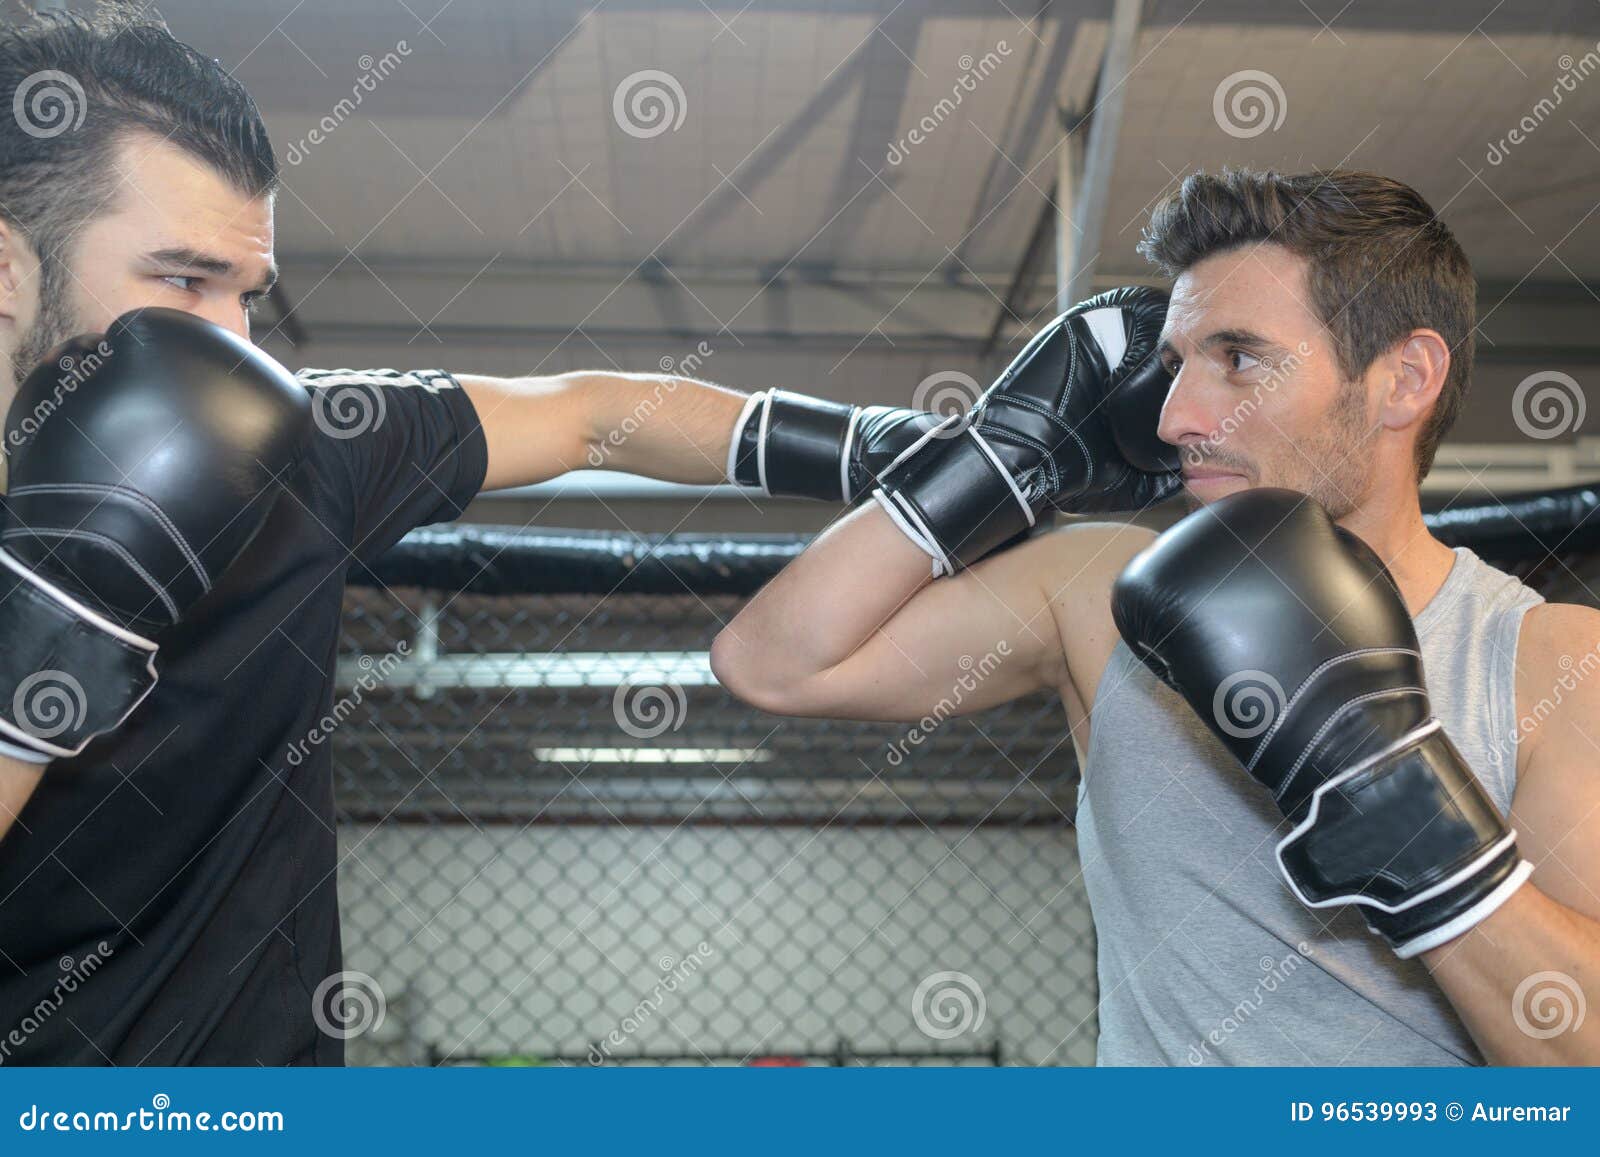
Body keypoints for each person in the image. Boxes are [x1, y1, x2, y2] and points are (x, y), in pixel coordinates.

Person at [0, 11, 935, 1064]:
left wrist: (902, 447)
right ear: (7, 271)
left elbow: (590, 411)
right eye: (182, 282)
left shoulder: (301, 450)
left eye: (246, 294)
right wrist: (54, 613)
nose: (231, 342)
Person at [713, 168, 1600, 1065]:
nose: (1175, 417)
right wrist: (999, 452)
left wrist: (1410, 823)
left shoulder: (1553, 661)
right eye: (1175, 368)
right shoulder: (1099, 593)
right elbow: (775, 661)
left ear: (1403, 380)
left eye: (1239, 359)